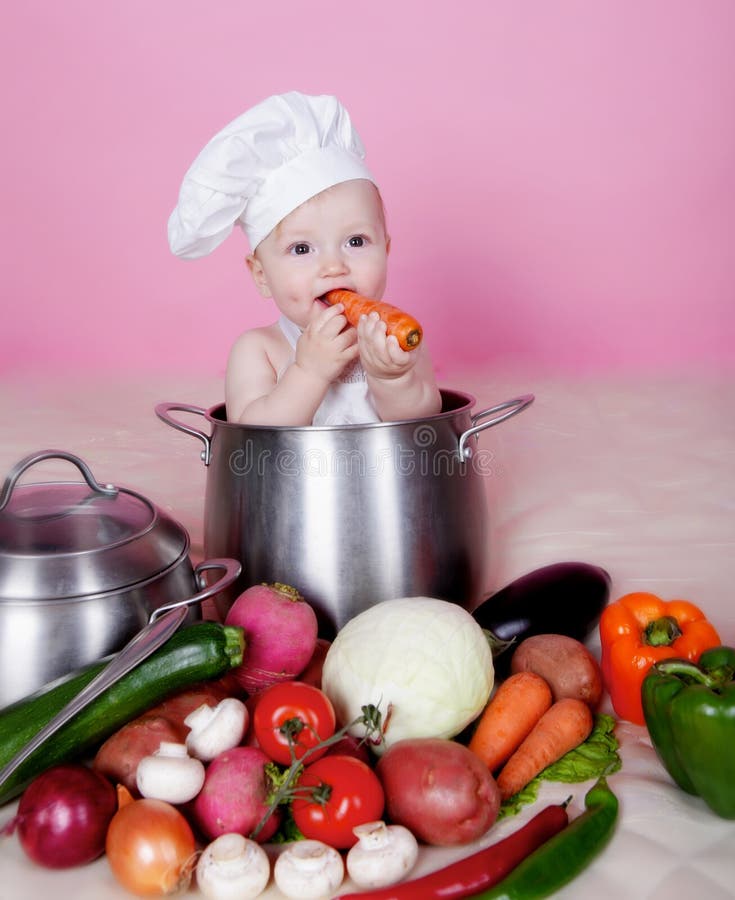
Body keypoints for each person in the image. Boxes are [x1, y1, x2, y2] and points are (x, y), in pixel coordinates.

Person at [168, 91, 442, 426]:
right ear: (261, 275)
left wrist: (393, 379)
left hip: (387, 479)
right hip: (289, 481)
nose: (333, 267)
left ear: (385, 251)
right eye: (301, 249)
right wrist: (308, 372)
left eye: (356, 241)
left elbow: (426, 426)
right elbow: (252, 434)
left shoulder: (395, 336)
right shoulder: (260, 350)